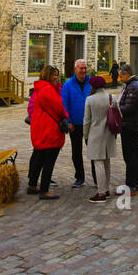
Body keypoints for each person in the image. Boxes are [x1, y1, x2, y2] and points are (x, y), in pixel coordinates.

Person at [27, 65, 68, 200]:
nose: (56, 77)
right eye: (54, 75)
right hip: (49, 129)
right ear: (47, 75)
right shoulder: (48, 89)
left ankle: (32, 185)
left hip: (40, 128)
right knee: (49, 159)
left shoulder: (39, 88)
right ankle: (44, 190)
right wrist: (67, 117)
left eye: (57, 75)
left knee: (39, 157)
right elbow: (59, 107)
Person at [83, 75, 118, 204]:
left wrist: (85, 135)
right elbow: (118, 114)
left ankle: (101, 192)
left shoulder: (90, 99)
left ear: (93, 86)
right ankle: (106, 189)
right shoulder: (112, 97)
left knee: (98, 163)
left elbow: (86, 120)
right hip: (109, 133)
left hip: (95, 134)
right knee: (107, 162)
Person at [60, 59, 93, 188]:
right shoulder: (68, 85)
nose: (83, 71)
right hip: (75, 124)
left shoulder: (91, 83)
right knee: (76, 152)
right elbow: (64, 104)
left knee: (94, 152)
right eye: (81, 68)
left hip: (90, 124)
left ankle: (97, 178)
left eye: (85, 68)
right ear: (75, 69)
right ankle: (79, 177)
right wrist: (68, 121)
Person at [116, 62, 138, 196]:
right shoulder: (130, 85)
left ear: (125, 74)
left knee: (130, 155)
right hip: (131, 124)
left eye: (120, 76)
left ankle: (131, 184)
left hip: (130, 125)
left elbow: (129, 108)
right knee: (133, 153)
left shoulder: (133, 87)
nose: (119, 78)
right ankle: (134, 181)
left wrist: (115, 108)